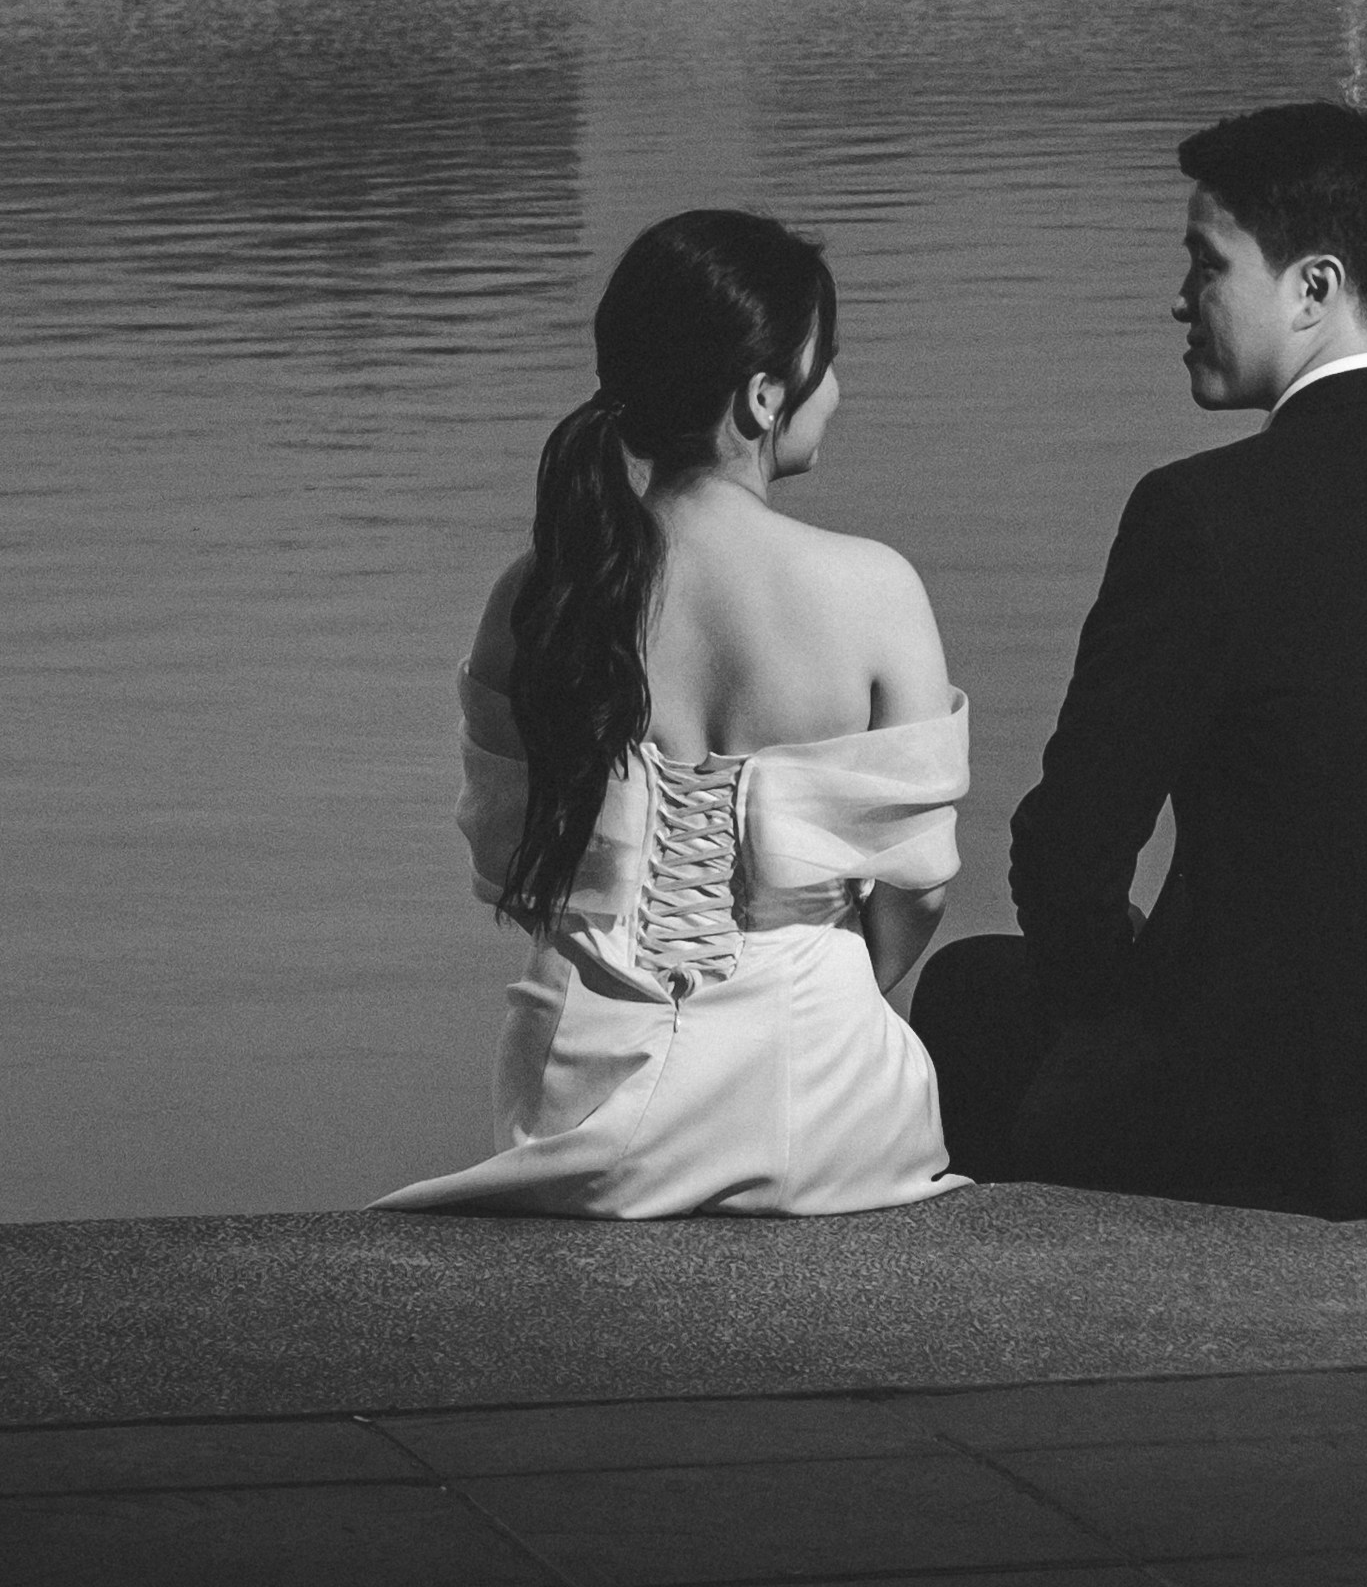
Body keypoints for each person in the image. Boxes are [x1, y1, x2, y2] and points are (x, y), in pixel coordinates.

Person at [913, 100, 1367, 1217]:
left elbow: (1068, 846)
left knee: (974, 993)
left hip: (1293, 1113)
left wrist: (1114, 1006)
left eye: (1205, 263)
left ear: (1313, 288)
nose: (1180, 298)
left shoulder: (1203, 518)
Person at [381, 206, 968, 1217]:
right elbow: (915, 889)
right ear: (759, 396)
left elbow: (511, 868)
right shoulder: (873, 590)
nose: (839, 389)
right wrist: (818, 985)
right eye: (825, 364)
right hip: (826, 1089)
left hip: (586, 1082)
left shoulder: (540, 593)